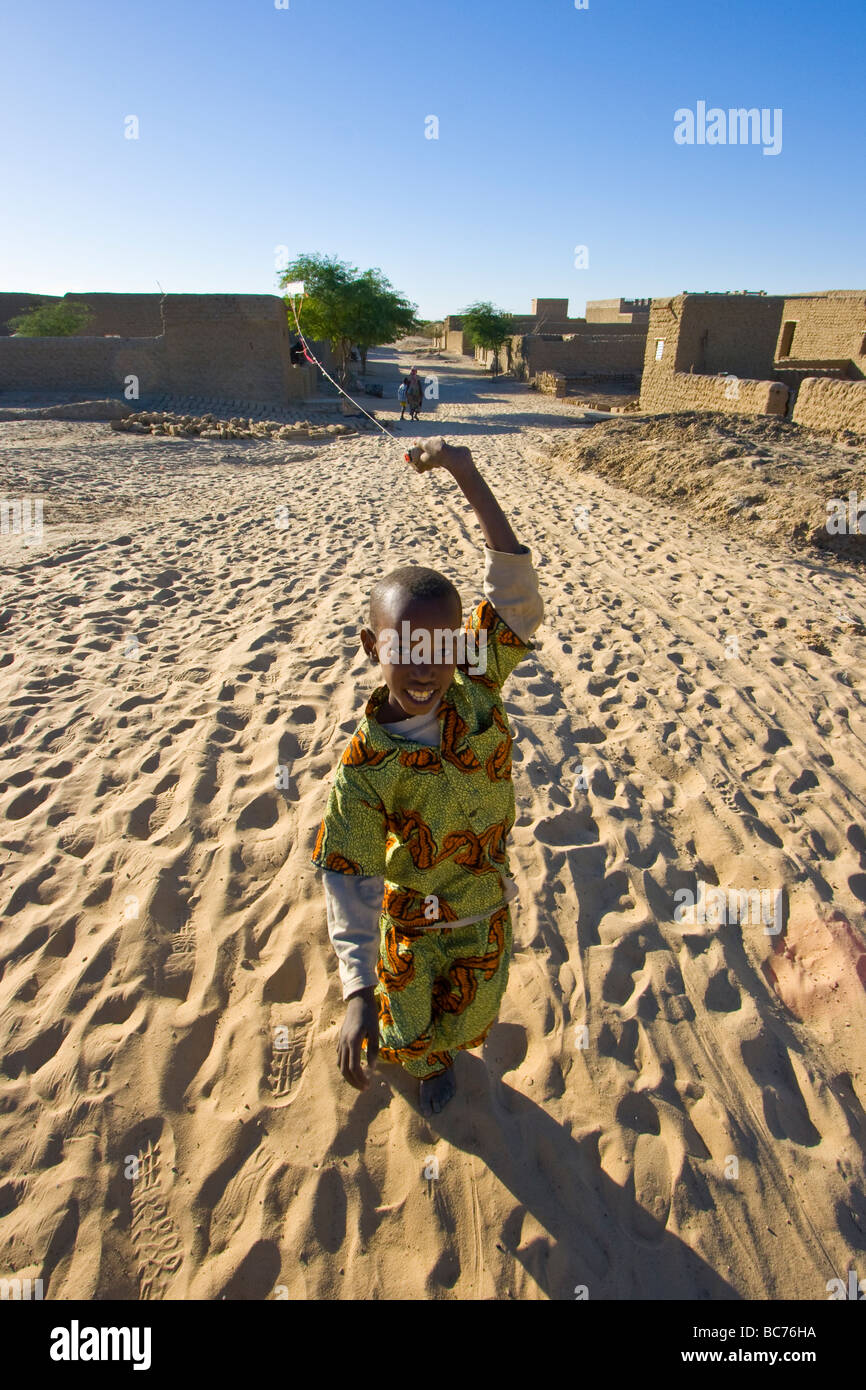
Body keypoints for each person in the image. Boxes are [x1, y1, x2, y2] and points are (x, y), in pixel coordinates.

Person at [311, 437, 544, 1116]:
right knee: (406, 1030)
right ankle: (421, 1063)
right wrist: (357, 993)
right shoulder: (365, 766)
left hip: (484, 911)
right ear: (372, 647)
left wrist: (467, 473)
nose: (422, 666)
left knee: (473, 1015)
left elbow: (515, 591)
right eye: (403, 647)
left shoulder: (476, 683)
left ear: (459, 645)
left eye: (438, 646)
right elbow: (349, 879)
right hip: (412, 928)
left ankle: (447, 1054)